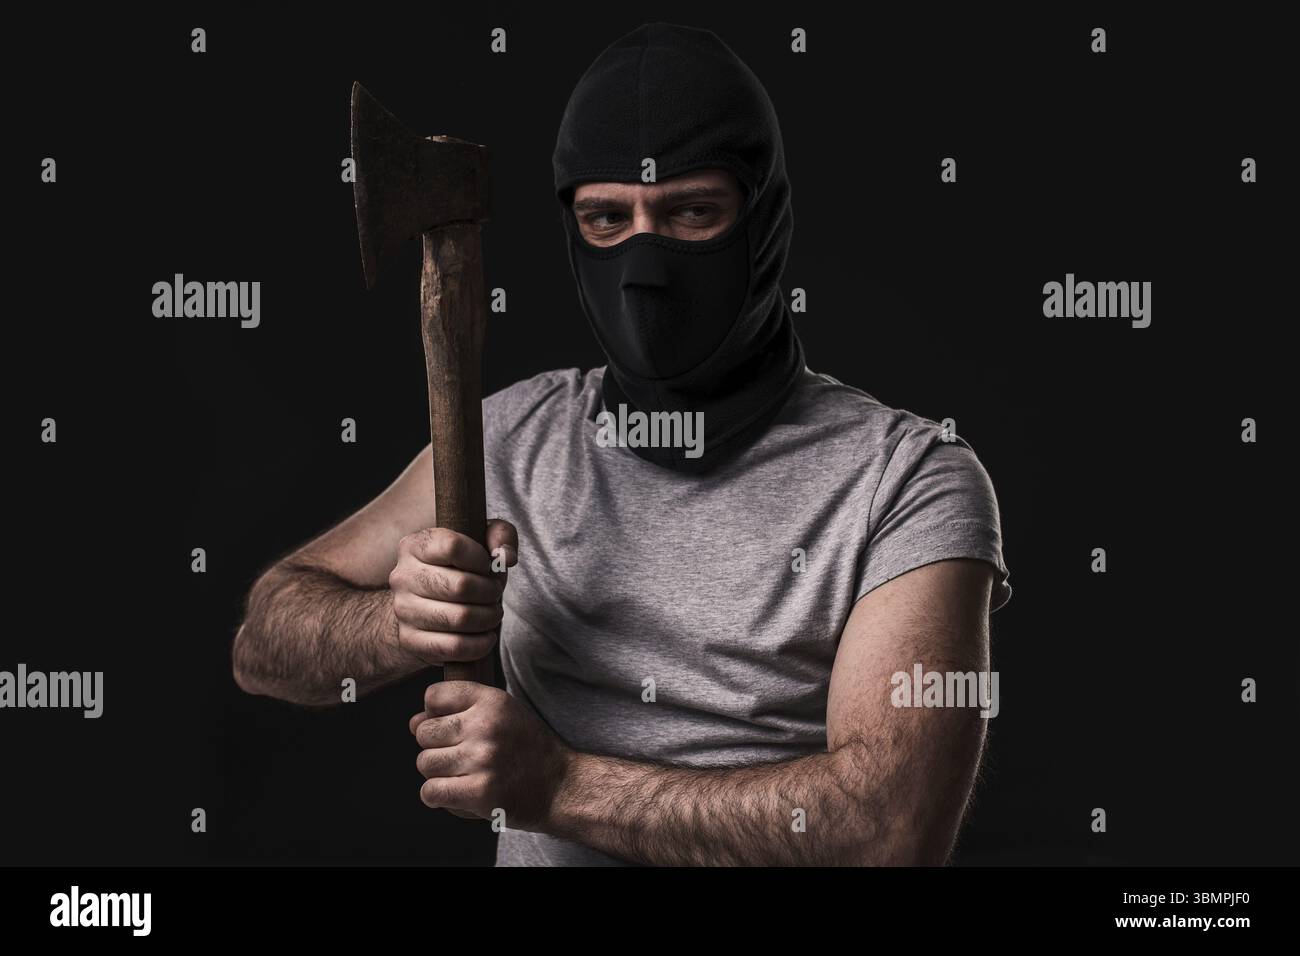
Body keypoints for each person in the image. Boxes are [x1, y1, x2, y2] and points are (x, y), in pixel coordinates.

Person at [232, 22, 1012, 866]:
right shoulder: (510, 441)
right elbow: (262, 645)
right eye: (607, 218)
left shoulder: (907, 479)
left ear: (765, 221)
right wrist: (399, 623)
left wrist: (559, 787)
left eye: (693, 212)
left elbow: (891, 830)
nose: (645, 261)